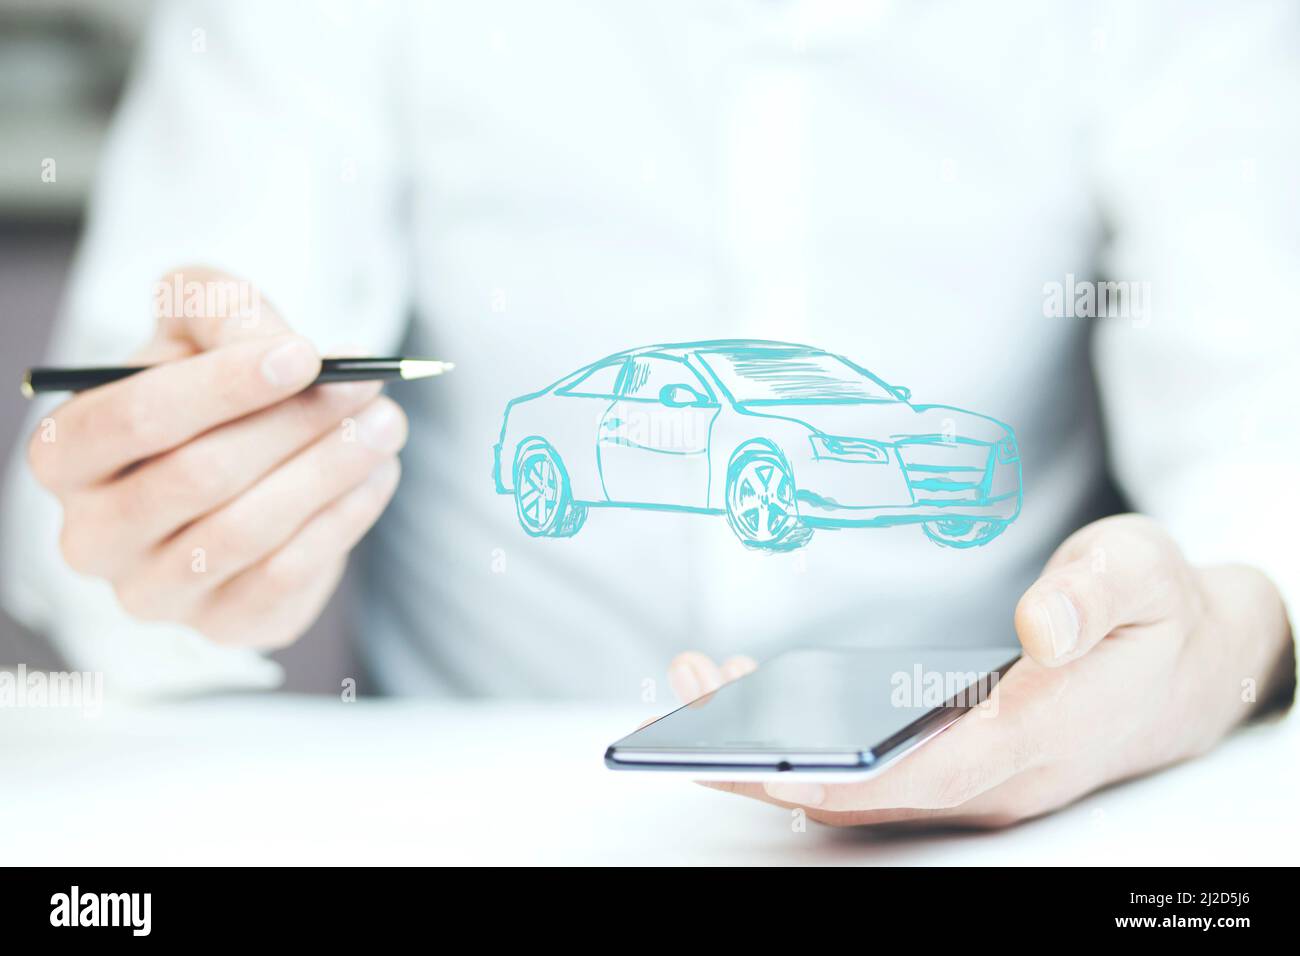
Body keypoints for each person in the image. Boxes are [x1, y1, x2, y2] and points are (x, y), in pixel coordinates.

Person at [3, 0, 1295, 826]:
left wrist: (1225, 634)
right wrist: (175, 530)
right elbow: (110, 460)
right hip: (480, 831)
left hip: (1024, 831)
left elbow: (1268, 449)